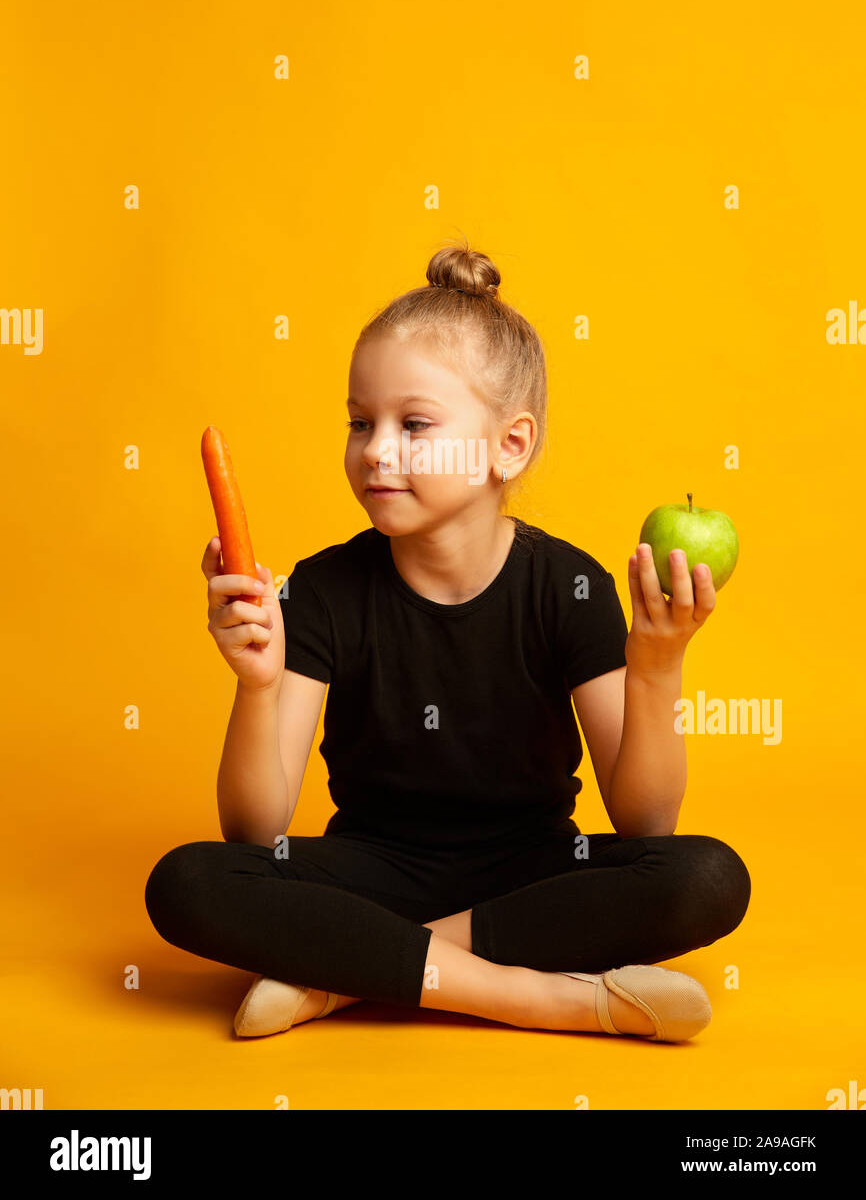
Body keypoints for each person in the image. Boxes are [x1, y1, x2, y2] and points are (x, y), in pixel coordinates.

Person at [145, 239, 751, 1044]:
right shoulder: (321, 590)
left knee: (708, 877)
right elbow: (254, 833)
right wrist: (256, 686)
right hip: (368, 875)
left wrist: (658, 670)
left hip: (533, 879)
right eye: (361, 423)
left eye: (414, 424)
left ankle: (345, 977)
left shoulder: (568, 588)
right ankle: (552, 1000)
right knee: (184, 882)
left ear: (510, 445)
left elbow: (646, 826)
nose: (376, 450)